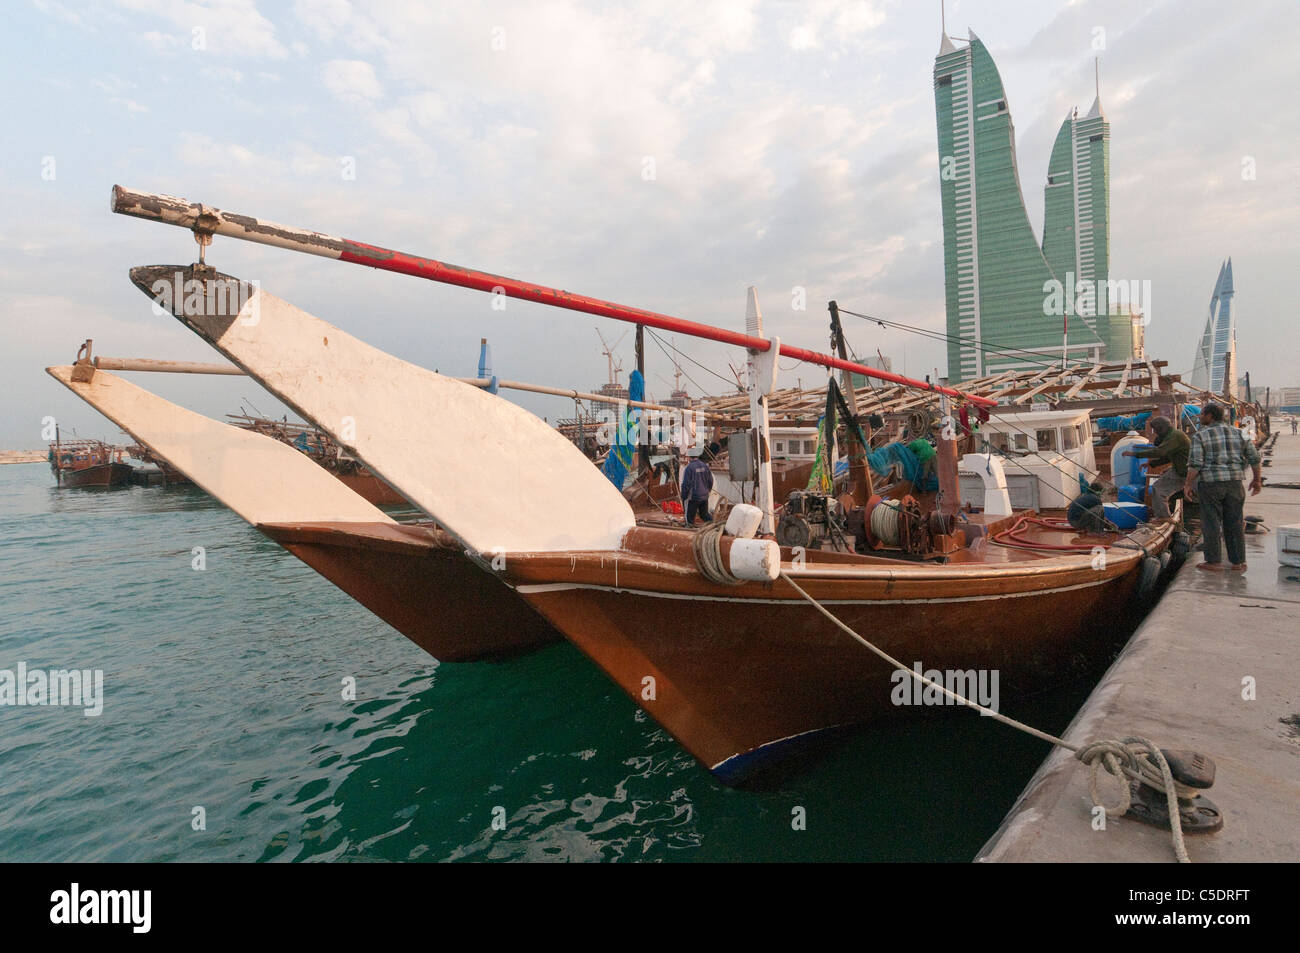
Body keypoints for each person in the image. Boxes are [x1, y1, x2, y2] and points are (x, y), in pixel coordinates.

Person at [1184, 404, 1262, 572]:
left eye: (1202, 414)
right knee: (1235, 522)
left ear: (1210, 416)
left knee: (1211, 522)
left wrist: (1188, 484)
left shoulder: (1201, 436)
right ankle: (1238, 562)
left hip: (1211, 484)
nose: (1200, 417)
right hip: (1235, 483)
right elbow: (1254, 458)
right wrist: (1257, 480)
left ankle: (1214, 562)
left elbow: (1195, 464)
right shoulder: (1240, 433)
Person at [1122, 416, 1190, 521]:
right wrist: (1152, 464)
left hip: (1184, 472)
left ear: (1161, 428)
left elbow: (1159, 452)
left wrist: (1134, 454)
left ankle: (1164, 517)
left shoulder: (1175, 436)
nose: (1155, 433)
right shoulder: (1173, 435)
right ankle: (1166, 509)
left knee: (1159, 490)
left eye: (1156, 430)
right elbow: (1168, 457)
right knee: (1158, 487)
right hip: (1178, 469)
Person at [680, 446, 714, 525]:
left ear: (689, 457)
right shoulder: (705, 466)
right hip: (704, 496)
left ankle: (689, 530)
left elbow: (686, 484)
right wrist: (707, 491)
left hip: (693, 498)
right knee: (704, 515)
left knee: (689, 519)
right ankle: (714, 525)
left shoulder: (689, 468)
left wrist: (683, 496)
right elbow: (710, 480)